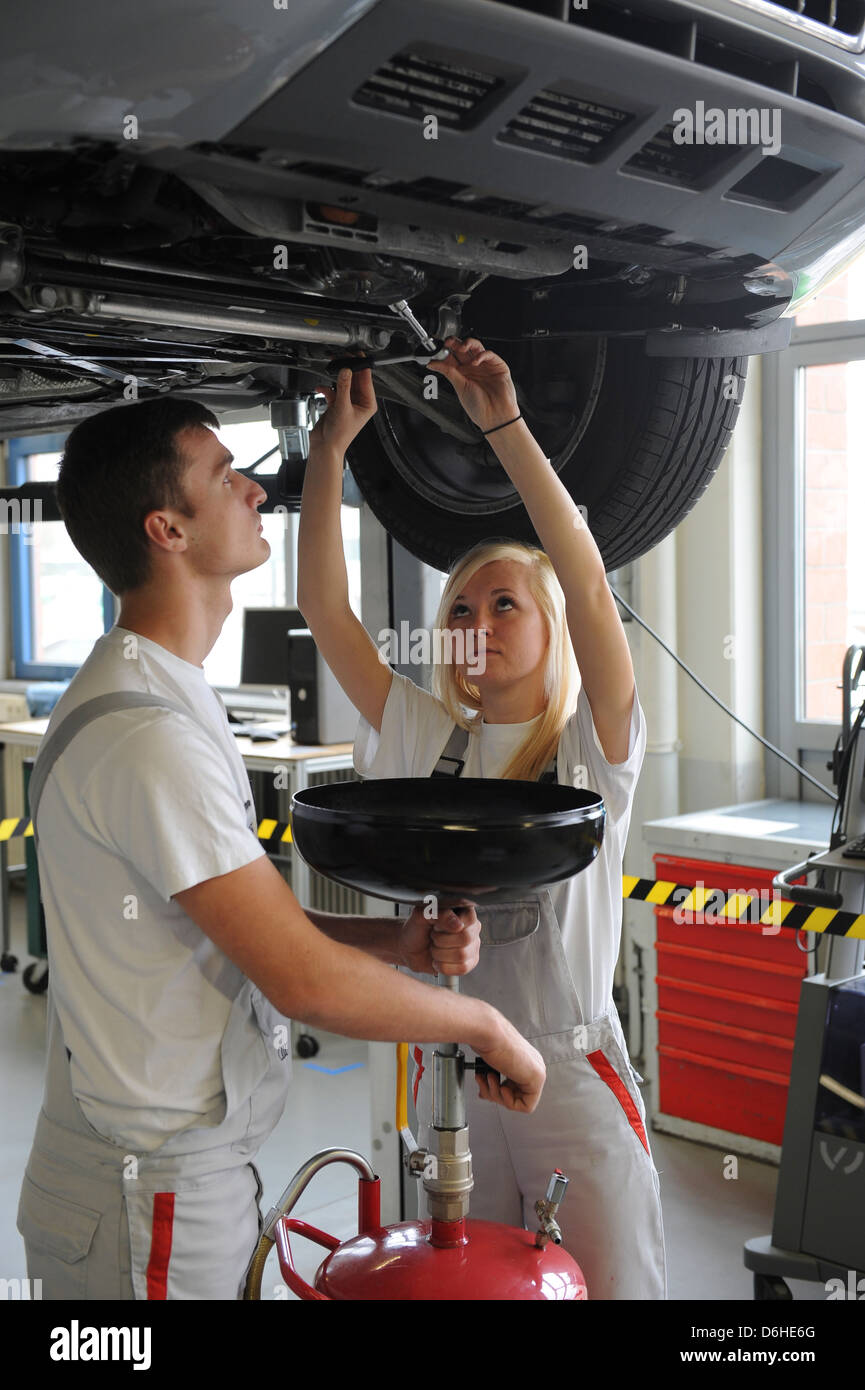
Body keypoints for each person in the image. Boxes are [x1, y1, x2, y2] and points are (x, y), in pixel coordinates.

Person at [16, 396, 546, 1302]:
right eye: (226, 477)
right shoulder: (151, 735)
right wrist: (485, 1026)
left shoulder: (166, 694)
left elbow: (253, 928)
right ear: (167, 529)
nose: (257, 490)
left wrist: (400, 945)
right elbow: (298, 979)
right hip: (148, 1201)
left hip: (170, 1175)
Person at [297, 337, 667, 1299]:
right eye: (461, 608)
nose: (479, 622)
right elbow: (325, 609)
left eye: (507, 604)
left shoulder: (590, 743)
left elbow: (586, 579)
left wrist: (502, 427)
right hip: (454, 1067)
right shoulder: (427, 740)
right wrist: (330, 452)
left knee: (614, 1287)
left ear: (553, 633)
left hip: (570, 1072)